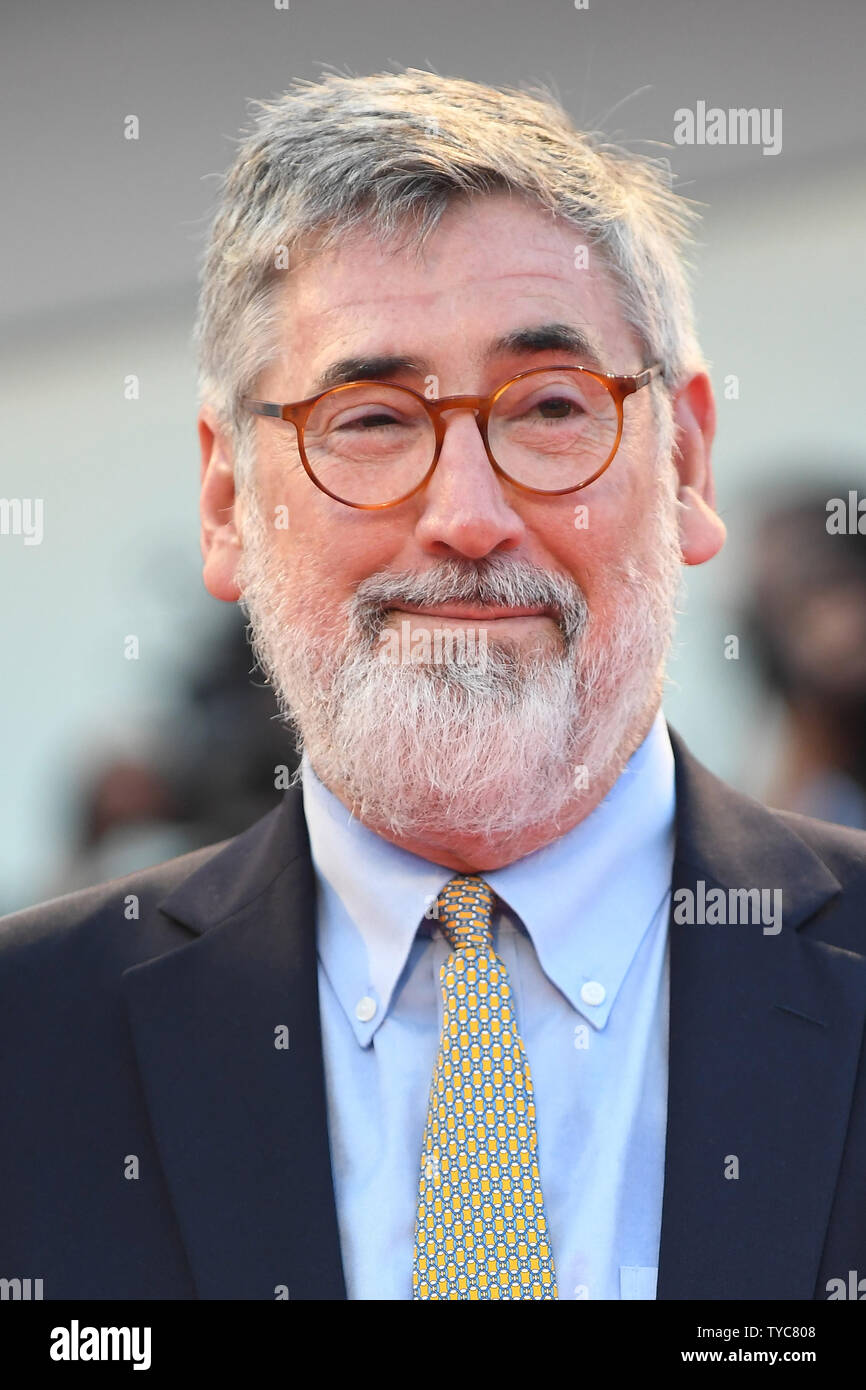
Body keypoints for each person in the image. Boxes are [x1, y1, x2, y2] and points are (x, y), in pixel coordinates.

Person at [2, 68, 865, 1302]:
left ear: (682, 461)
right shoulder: (29, 1045)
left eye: (550, 408)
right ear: (226, 501)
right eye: (368, 420)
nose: (466, 517)